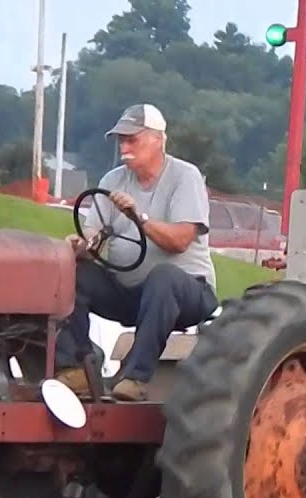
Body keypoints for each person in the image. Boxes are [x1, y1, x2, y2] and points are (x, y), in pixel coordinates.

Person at [54, 103, 219, 402]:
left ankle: (135, 377)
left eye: (132, 139)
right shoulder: (112, 181)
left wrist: (138, 217)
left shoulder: (185, 177)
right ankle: (76, 364)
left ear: (159, 140)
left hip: (187, 293)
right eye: (121, 140)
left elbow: (181, 240)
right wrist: (82, 245)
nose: (125, 147)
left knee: (164, 277)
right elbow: (94, 234)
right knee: (72, 274)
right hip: (130, 293)